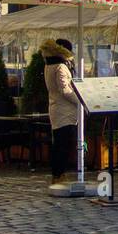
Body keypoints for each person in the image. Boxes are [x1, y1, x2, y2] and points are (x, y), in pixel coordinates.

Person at [42, 39, 81, 184]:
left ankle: (58, 174)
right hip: (65, 110)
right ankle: (59, 175)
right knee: (63, 143)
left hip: (56, 108)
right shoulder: (60, 67)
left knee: (59, 143)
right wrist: (79, 101)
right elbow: (64, 89)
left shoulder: (49, 65)